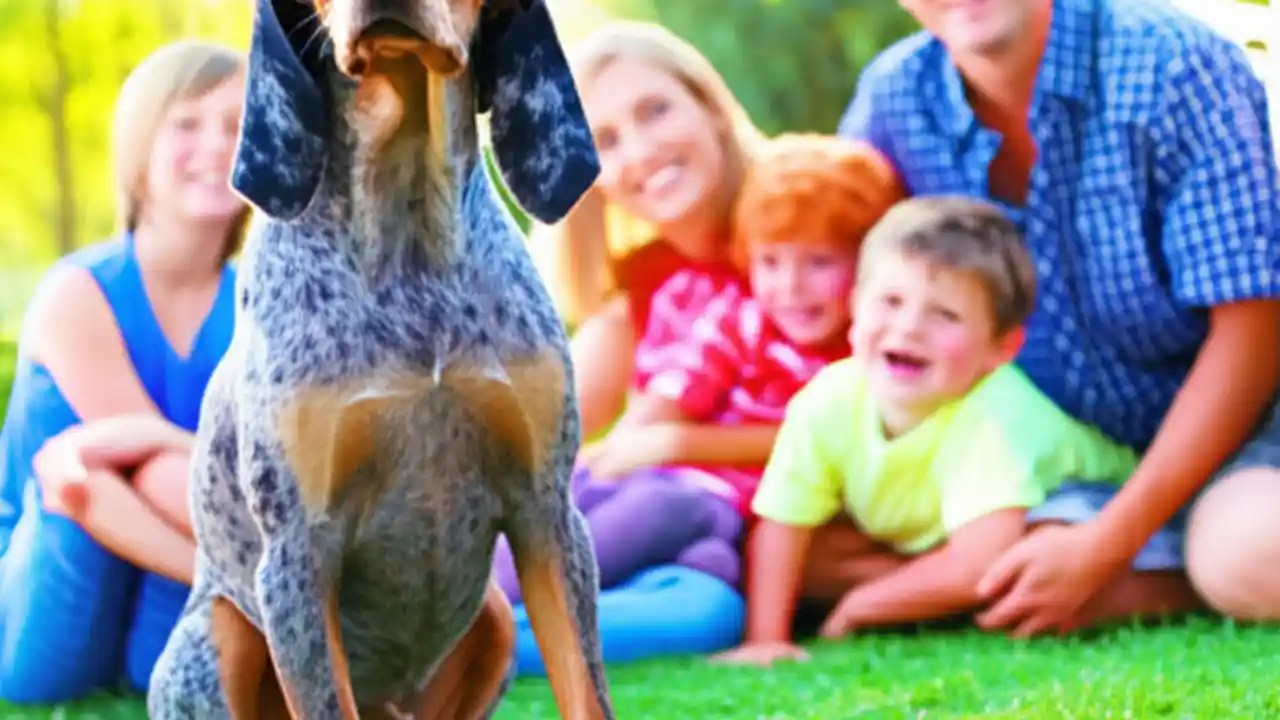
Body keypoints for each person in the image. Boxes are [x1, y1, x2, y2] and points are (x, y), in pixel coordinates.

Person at [835, 0, 1280, 633]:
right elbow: (825, 276)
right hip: (1072, 465)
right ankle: (1162, 574)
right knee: (978, 560)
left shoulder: (1174, 64)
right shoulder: (895, 99)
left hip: (1252, 436)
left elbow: (1253, 333)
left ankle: (1175, 572)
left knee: (1248, 553)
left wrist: (1109, 544)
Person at [716, 196, 1172, 667]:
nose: (909, 327)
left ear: (1000, 349)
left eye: (945, 315)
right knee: (810, 556)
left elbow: (980, 562)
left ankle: (1180, 592)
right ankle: (937, 597)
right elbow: (782, 524)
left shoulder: (995, 415)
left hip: (1096, 511)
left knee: (1024, 568)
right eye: (890, 301)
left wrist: (861, 606)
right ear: (855, 305)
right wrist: (764, 638)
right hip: (957, 540)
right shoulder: (825, 401)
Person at [495, 134, 902, 599]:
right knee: (579, 493)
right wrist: (614, 457)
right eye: (770, 262)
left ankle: (502, 603)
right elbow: (675, 395)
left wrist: (673, 445)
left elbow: (820, 440)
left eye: (819, 262)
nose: (791, 287)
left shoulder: (865, 359)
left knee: (677, 529)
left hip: (714, 504)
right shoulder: (740, 318)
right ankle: (479, 598)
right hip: (669, 486)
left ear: (870, 263)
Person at [0, 41, 246, 702]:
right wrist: (257, 583)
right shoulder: (77, 293)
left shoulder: (257, 303)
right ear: (139, 148)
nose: (218, 145)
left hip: (176, 566)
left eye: (237, 125)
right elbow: (99, 473)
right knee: (105, 472)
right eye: (188, 125)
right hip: (53, 581)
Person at [528, 19, 765, 442]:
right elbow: (528, 439)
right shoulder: (639, 299)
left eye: (656, 110)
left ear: (711, 107)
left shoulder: (812, 231)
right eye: (605, 141)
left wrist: (671, 445)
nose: (641, 152)